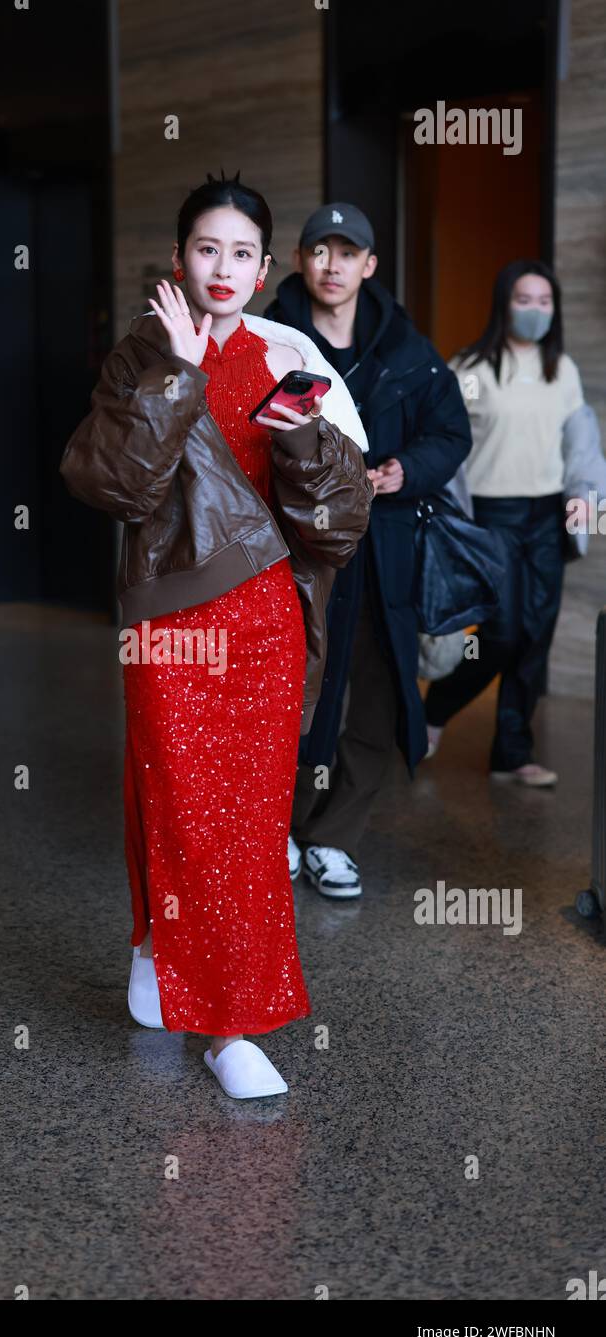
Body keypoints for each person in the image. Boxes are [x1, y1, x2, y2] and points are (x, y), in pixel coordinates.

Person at [60, 174, 371, 1098]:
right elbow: (113, 487)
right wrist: (178, 374)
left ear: (266, 266)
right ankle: (229, 1029)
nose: (224, 268)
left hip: (270, 621)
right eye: (207, 249)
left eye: (243, 254)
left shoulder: (289, 354)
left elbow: (339, 522)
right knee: (186, 810)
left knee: (245, 826)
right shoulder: (138, 357)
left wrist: (305, 436)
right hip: (171, 623)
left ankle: (170, 958)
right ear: (178, 261)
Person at [264, 202, 472, 898]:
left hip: (384, 547)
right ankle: (282, 831)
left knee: (379, 693)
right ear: (299, 260)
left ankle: (334, 838)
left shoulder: (406, 349)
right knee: (295, 690)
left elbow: (451, 433)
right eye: (320, 251)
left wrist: (404, 470)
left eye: (347, 252)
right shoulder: (268, 339)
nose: (332, 265)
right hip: (296, 542)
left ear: (369, 265)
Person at [424, 260, 589, 785]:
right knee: (501, 633)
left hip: (546, 514)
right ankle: (437, 707)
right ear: (504, 303)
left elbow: (579, 445)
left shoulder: (560, 370)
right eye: (525, 299)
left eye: (545, 301)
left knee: (536, 634)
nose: (536, 310)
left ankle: (513, 755)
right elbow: (447, 438)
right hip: (490, 515)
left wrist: (586, 499)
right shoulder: (470, 370)